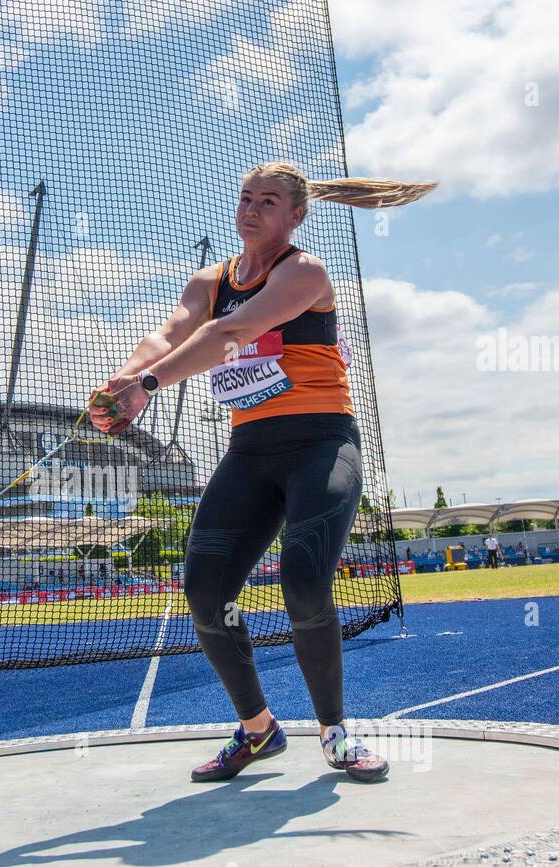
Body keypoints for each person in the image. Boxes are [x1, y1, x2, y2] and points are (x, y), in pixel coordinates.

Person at [89, 160, 435, 784]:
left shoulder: (303, 271)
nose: (251, 210)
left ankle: (334, 734)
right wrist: (125, 376)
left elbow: (236, 330)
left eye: (268, 201)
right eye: (245, 198)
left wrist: (146, 384)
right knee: (204, 590)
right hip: (250, 454)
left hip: (320, 445)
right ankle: (258, 731)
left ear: (295, 215)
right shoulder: (210, 278)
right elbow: (172, 332)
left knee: (303, 581)